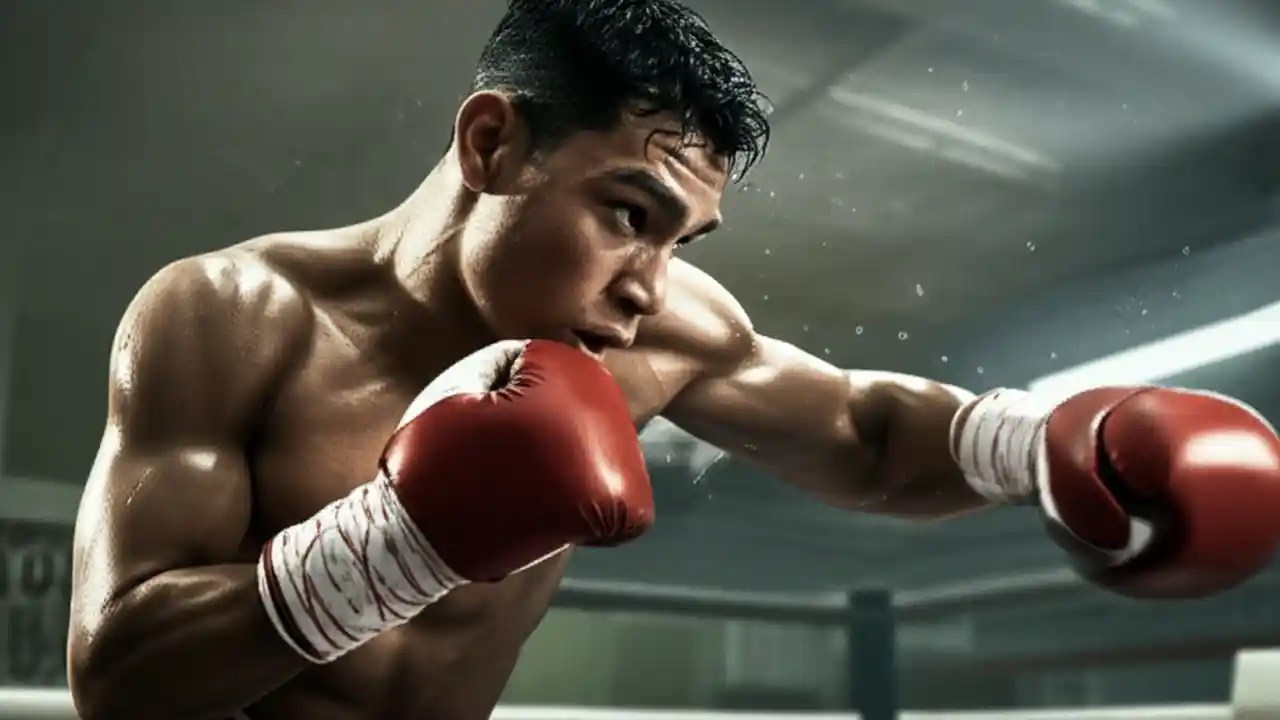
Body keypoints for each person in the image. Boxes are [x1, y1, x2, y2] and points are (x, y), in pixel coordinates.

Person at [66, 1, 1280, 719]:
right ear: (492, 145)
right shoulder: (232, 316)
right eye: (626, 213)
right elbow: (117, 677)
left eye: (679, 239)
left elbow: (861, 438)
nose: (647, 286)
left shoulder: (656, 331)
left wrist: (1042, 444)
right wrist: (402, 543)